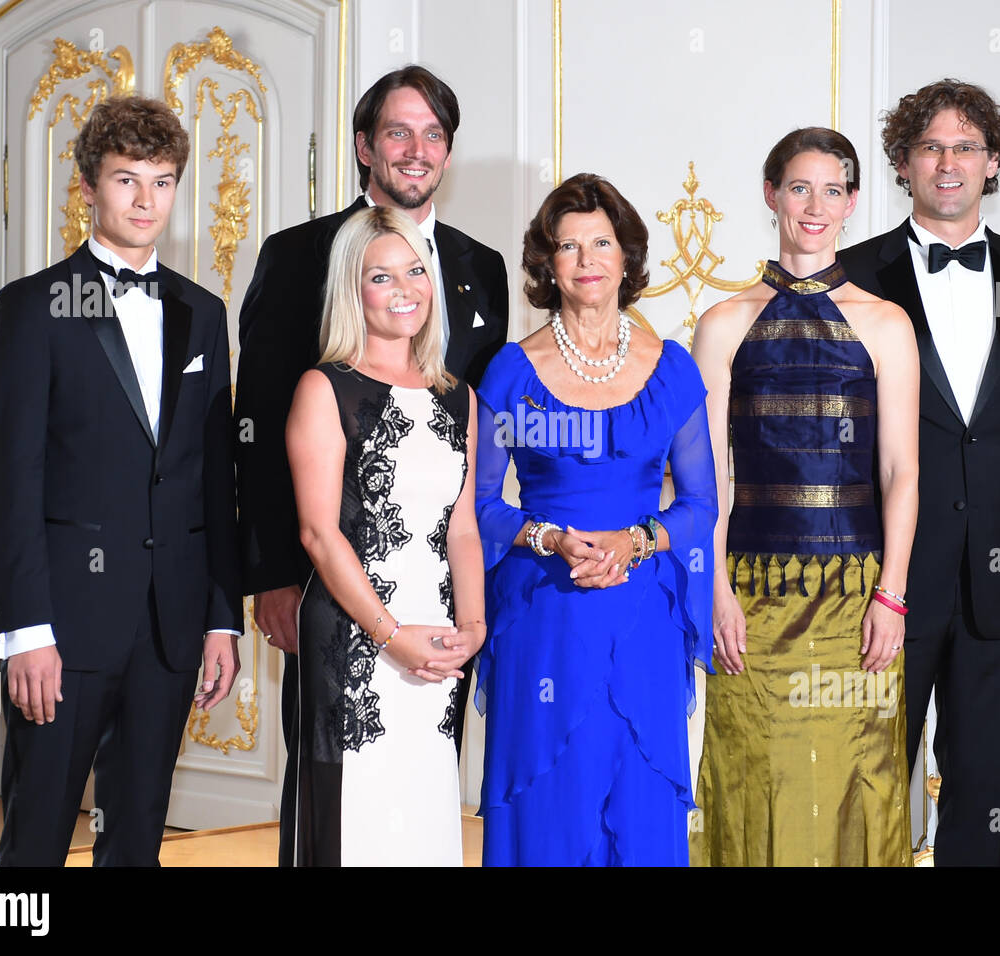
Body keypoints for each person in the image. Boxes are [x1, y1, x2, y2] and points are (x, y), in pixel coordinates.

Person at [232, 65, 508, 864]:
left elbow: (464, 462)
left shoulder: (477, 264)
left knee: (426, 806)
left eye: (433, 135)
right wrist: (273, 573)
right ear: (363, 147)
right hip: (336, 590)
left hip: (441, 598)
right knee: (335, 806)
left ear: (448, 152)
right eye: (397, 131)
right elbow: (255, 423)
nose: (416, 150)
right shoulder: (298, 255)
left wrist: (474, 613)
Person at [0, 95, 243, 866]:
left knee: (137, 839)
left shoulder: (204, 312)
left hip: (170, 623)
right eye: (127, 180)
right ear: (89, 185)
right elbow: (11, 480)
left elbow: (212, 477)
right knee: (36, 835)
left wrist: (222, 615)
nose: (145, 201)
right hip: (62, 625)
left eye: (162, 182)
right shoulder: (33, 308)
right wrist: (25, 630)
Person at [838, 80, 1000, 866]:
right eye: (931, 147)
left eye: (967, 147)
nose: (949, 163)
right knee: (867, 783)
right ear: (904, 165)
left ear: (993, 163)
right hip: (887, 582)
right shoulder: (854, 276)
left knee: (982, 794)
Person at [690, 128, 919, 866]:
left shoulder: (887, 324)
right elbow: (709, 474)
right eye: (798, 187)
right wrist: (715, 587)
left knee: (859, 780)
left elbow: (902, 473)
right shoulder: (722, 325)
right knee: (752, 776)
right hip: (752, 597)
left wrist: (892, 595)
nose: (813, 206)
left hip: (857, 599)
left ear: (852, 202)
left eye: (831, 190)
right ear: (771, 195)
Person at [475, 173, 716, 866]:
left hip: (643, 612)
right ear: (547, 264)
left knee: (640, 805)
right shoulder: (512, 372)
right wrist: (548, 536)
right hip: (547, 611)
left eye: (602, 242)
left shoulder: (672, 369)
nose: (587, 260)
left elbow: (700, 505)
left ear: (627, 256)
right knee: (553, 801)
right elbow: (482, 504)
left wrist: (640, 540)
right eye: (569, 246)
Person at [283, 204, 483, 866]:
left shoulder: (459, 397)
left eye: (415, 272)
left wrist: (474, 627)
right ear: (351, 289)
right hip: (355, 638)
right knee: (356, 823)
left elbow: (463, 525)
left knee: (424, 816)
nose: (406, 291)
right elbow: (319, 535)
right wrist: (392, 636)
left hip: (439, 640)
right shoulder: (322, 388)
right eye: (381, 278)